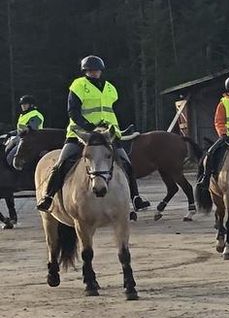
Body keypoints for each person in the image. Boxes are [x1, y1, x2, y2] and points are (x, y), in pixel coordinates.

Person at [38, 56, 148, 213]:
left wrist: (116, 128)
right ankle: (48, 197)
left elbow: (111, 110)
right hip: (82, 134)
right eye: (90, 70)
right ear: (85, 71)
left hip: (108, 135)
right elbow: (73, 111)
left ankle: (136, 198)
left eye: (96, 70)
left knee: (126, 163)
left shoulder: (110, 88)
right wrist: (88, 126)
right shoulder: (78, 85)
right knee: (62, 162)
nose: (94, 73)